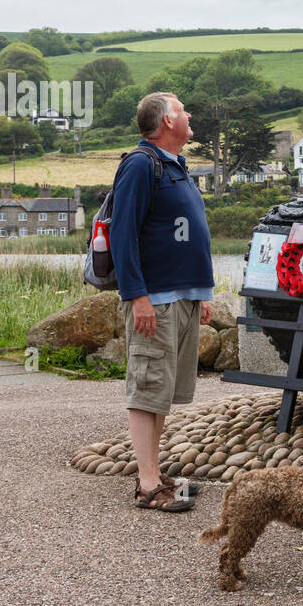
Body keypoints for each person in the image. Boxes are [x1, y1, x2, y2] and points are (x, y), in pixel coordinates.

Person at [111, 92, 215, 511]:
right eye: (182, 109)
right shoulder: (140, 164)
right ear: (167, 121)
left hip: (183, 297)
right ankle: (148, 485)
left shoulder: (176, 166)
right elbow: (123, 234)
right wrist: (137, 296)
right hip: (154, 299)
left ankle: (155, 472)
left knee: (162, 391)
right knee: (147, 388)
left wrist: (202, 292)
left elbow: (191, 234)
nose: (189, 114)